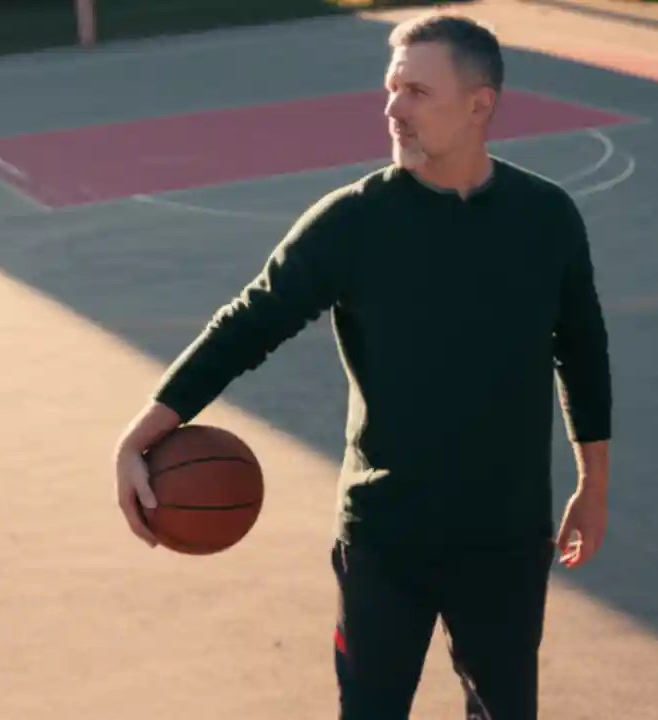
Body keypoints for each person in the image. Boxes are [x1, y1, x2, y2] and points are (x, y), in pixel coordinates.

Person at [113, 12, 612, 719]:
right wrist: (142, 432)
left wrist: (594, 485)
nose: (392, 108)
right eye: (390, 88)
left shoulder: (546, 218)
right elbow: (248, 323)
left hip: (504, 538)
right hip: (385, 540)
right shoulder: (353, 223)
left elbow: (582, 348)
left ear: (480, 105)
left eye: (415, 91)